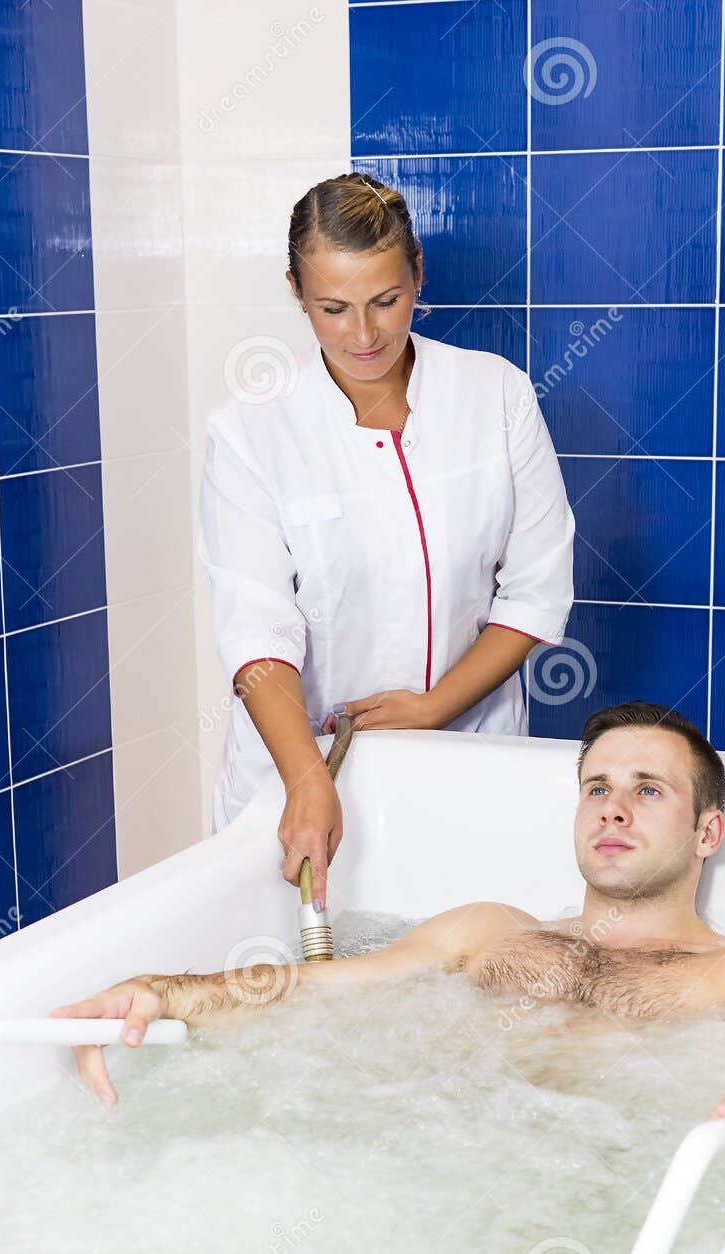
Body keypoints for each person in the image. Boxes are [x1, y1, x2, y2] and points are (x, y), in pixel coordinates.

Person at [53, 702, 725, 1211]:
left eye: (648, 790)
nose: (612, 808)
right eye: (596, 788)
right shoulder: (487, 931)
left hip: (593, 1197)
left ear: (706, 833)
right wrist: (165, 991)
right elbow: (320, 989)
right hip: (409, 1169)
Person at [200, 170, 575, 907]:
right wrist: (308, 778)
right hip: (302, 775)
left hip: (471, 755)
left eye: (386, 300)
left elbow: (535, 590)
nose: (363, 335)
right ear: (295, 291)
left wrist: (437, 706)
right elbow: (255, 632)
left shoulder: (494, 394)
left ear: (417, 275)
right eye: (332, 308)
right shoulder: (249, 430)